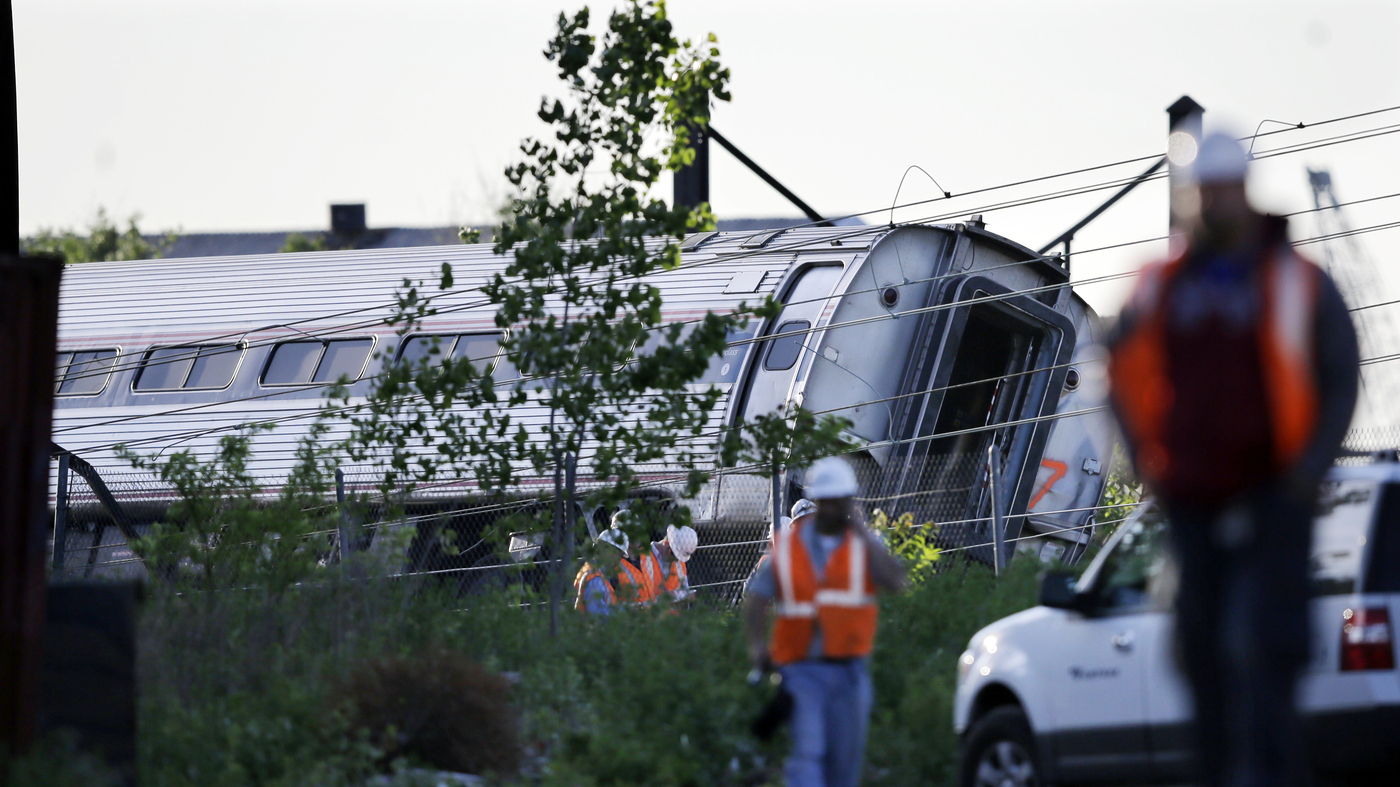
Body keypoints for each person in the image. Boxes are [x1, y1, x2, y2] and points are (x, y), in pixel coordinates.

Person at [1108, 131, 1359, 787]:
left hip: (1274, 491)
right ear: (1193, 196)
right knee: (1200, 652)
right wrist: (1143, 460)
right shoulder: (1159, 285)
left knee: (1265, 646)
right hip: (1191, 495)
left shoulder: (1294, 280)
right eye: (1206, 190)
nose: (1217, 201)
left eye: (1227, 188)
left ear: (1245, 190)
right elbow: (1114, 364)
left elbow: (1339, 373)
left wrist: (1308, 471)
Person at [743, 458, 906, 787]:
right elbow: (757, 598)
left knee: (843, 767)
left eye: (839, 500)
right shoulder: (790, 548)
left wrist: (862, 534)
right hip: (802, 670)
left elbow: (897, 583)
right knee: (807, 755)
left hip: (851, 672)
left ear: (849, 501)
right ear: (818, 502)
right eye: (826, 501)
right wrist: (757, 646)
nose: (832, 508)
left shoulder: (865, 546)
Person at [573, 527, 649, 614]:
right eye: (617, 553)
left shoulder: (598, 572)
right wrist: (626, 611)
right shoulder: (595, 577)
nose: (618, 559)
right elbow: (596, 614)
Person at [640, 524, 698, 603]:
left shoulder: (679, 562)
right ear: (667, 543)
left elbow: (684, 588)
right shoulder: (642, 557)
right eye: (674, 554)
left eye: (679, 557)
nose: (676, 559)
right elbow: (640, 598)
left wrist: (685, 596)